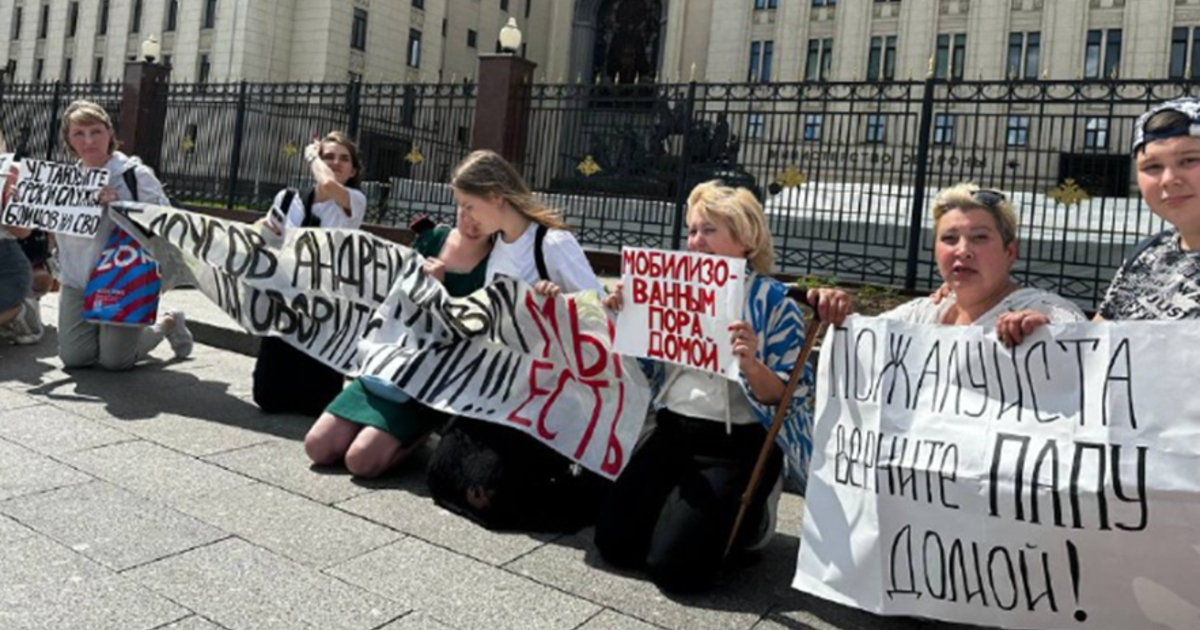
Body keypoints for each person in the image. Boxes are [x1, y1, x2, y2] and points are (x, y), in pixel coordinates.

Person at [593, 181, 811, 592]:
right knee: (615, 544)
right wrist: (626, 315)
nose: (696, 242)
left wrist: (750, 362)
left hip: (734, 443)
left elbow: (785, 397)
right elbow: (644, 366)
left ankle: (754, 516)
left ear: (745, 238)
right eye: (692, 231)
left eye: (709, 230)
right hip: (673, 430)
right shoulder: (668, 287)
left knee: (675, 571)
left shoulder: (774, 302)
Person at [424, 149, 609, 532]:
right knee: (442, 474)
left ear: (496, 196)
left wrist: (559, 305)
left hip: (549, 396)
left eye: (469, 205)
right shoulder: (497, 246)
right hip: (503, 388)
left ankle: (581, 487)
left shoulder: (552, 244)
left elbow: (601, 316)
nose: (466, 217)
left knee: (486, 495)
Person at [304, 209, 492, 478]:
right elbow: (394, 299)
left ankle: (421, 433)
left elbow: (479, 329)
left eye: (483, 211)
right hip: (390, 362)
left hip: (430, 378)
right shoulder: (433, 238)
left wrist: (436, 293)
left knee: (361, 461)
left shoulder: (498, 260)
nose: (473, 220)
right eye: (467, 207)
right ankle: (382, 431)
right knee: (318, 448)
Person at [809, 183, 1086, 339]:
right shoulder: (922, 314)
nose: (962, 251)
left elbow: (1086, 354)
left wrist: (1049, 337)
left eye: (979, 238)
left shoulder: (1047, 312)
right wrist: (834, 311)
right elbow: (861, 342)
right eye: (950, 239)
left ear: (1010, 252)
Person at [54, 100, 193, 370]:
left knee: (116, 361)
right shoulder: (63, 179)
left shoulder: (135, 175)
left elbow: (164, 223)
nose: (89, 140)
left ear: (109, 134)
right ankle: (103, 330)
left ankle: (169, 322)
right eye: (78, 134)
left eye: (95, 131)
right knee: (75, 358)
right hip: (76, 279)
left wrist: (121, 206)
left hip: (123, 278)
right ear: (69, 141)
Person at [252, 131, 367, 416]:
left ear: (353, 170)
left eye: (344, 158)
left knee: (317, 402)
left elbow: (327, 183)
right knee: (267, 397)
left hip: (325, 302)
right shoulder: (289, 198)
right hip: (286, 298)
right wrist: (264, 230)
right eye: (329, 156)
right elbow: (266, 231)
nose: (335, 163)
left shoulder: (353, 200)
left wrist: (314, 157)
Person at [0, 141, 41, 344]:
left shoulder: (12, 174)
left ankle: (21, 312)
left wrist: (14, 206)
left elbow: (23, 233)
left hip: (6, 262)